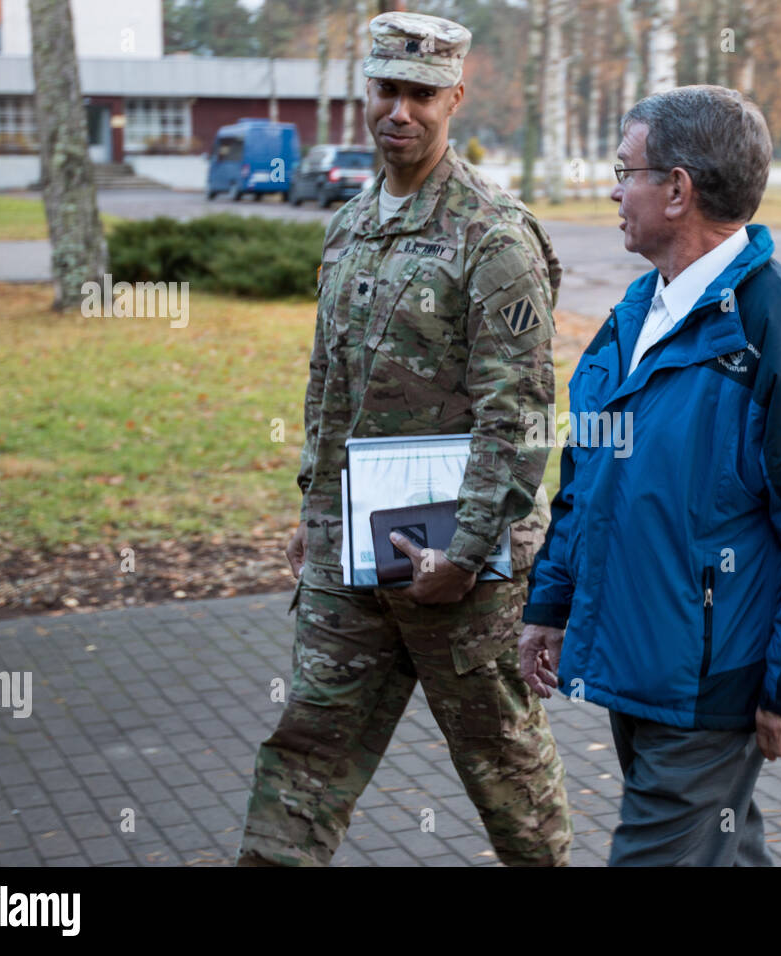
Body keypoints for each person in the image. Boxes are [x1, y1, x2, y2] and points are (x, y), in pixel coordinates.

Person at [518, 85, 781, 866]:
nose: (616, 190)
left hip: (711, 684)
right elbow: (585, 478)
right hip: (638, 662)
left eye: (626, 171)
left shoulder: (777, 327)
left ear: (679, 189)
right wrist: (553, 599)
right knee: (719, 850)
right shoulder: (635, 314)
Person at [236, 11, 571, 867]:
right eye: (387, 89)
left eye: (423, 94)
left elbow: (520, 412)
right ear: (368, 92)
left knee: (503, 769)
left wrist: (464, 553)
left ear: (455, 97)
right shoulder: (348, 228)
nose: (402, 110)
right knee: (308, 751)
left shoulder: (493, 237)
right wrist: (316, 509)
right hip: (352, 558)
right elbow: (326, 388)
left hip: (460, 571)